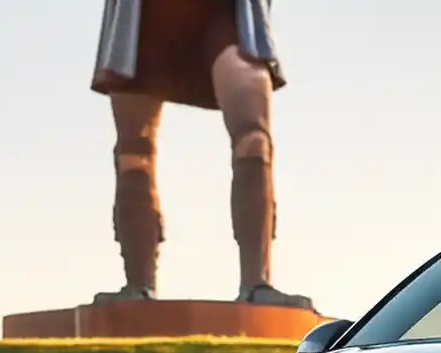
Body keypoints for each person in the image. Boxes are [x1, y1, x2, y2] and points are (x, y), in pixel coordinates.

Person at [91, 0, 311, 308]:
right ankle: (138, 287)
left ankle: (256, 284)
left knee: (254, 141)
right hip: (145, 17)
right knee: (133, 154)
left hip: (226, 18)